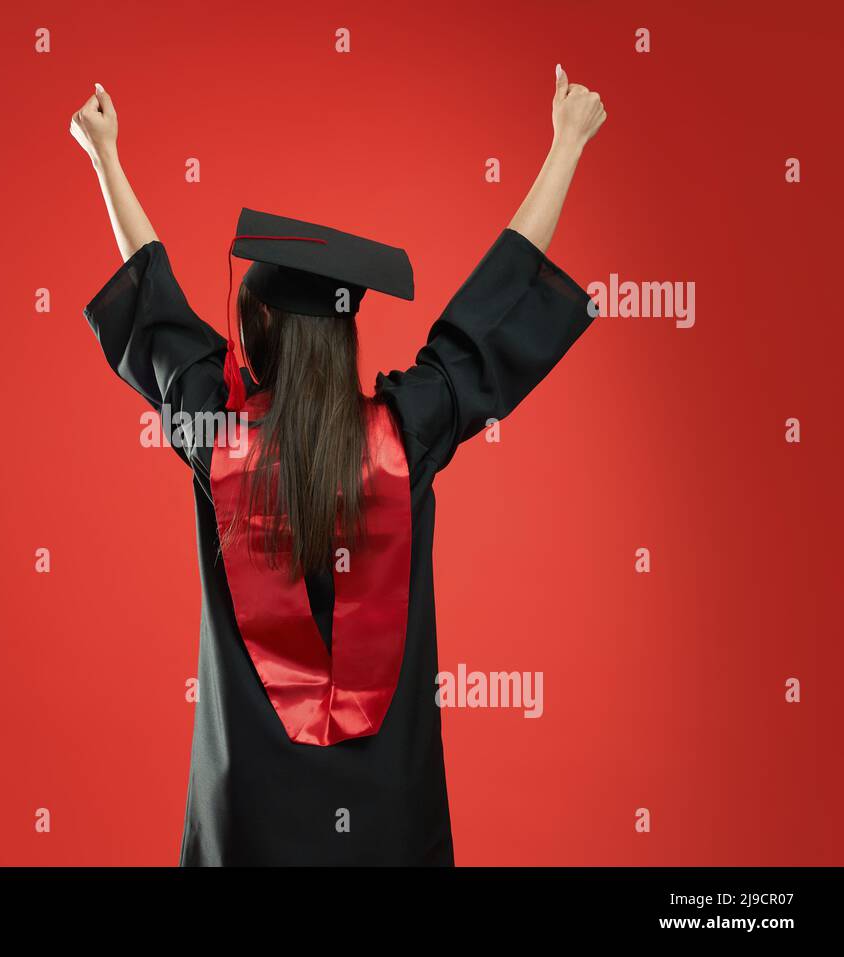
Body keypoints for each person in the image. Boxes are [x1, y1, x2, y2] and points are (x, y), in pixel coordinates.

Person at [70, 67, 606, 866]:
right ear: (345, 338)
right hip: (385, 822)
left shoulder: (215, 433)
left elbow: (156, 309)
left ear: (253, 332)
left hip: (248, 823)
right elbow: (484, 321)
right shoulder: (408, 430)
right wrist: (565, 145)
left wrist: (105, 157)